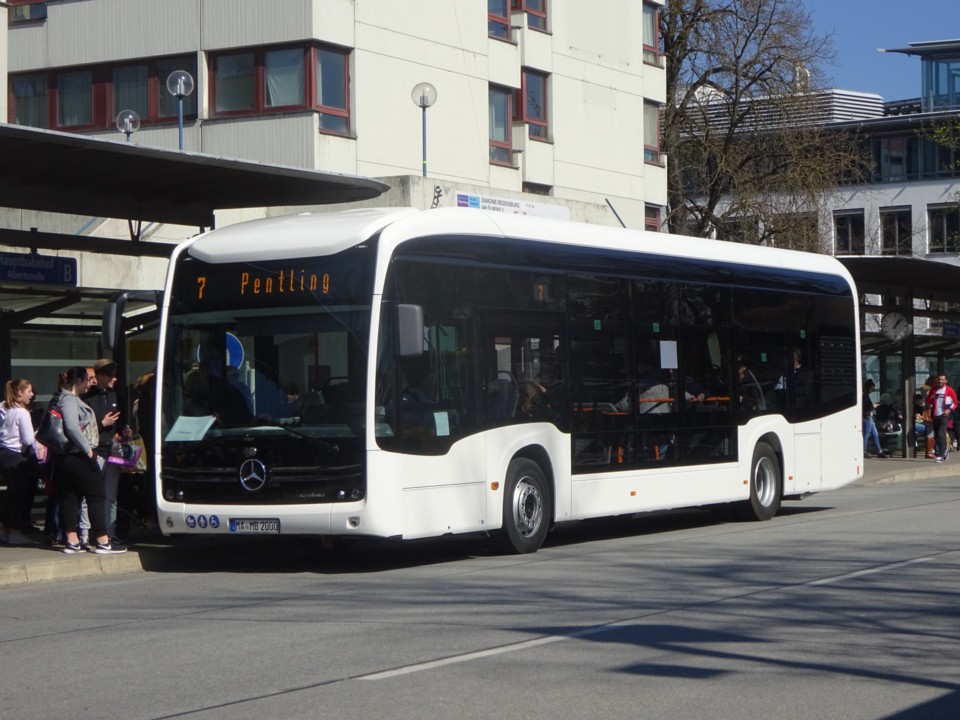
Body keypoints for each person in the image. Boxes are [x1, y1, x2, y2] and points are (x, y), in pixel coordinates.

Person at [54, 366, 126, 554]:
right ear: (78, 381)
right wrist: (88, 450)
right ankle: (102, 540)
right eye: (87, 379)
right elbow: (71, 426)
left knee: (71, 496)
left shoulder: (65, 398)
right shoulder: (69, 399)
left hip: (69, 456)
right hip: (78, 455)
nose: (90, 383)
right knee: (96, 495)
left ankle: (73, 541)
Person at [82, 358, 123, 542]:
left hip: (113, 451)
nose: (114, 379)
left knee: (110, 495)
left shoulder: (116, 395)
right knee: (91, 493)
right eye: (110, 375)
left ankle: (109, 531)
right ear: (99, 377)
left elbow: (121, 422)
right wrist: (102, 423)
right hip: (95, 450)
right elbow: (81, 428)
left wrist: (124, 430)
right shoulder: (88, 398)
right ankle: (87, 532)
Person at [0, 379, 41, 545]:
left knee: (11, 493)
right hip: (16, 456)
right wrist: (39, 433)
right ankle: (14, 530)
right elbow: (29, 439)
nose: (32, 395)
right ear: (19, 393)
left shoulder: (5, 408)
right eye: (29, 391)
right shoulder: (22, 413)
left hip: (4, 454)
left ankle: (4, 528)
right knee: (19, 495)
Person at [925, 374, 957, 463]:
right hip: (935, 414)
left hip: (945, 415)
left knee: (941, 434)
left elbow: (955, 403)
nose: (940, 381)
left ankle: (941, 454)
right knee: (936, 434)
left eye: (942, 380)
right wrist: (933, 398)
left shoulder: (950, 390)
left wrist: (949, 410)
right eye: (939, 380)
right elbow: (928, 400)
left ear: (946, 381)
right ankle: (944, 449)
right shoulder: (934, 390)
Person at [862, 379, 883, 458]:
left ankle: (879, 451)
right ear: (868, 388)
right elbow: (865, 408)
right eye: (871, 389)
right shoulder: (864, 396)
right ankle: (864, 451)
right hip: (866, 417)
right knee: (866, 434)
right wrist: (873, 406)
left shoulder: (865, 395)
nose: (872, 391)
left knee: (875, 434)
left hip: (868, 417)